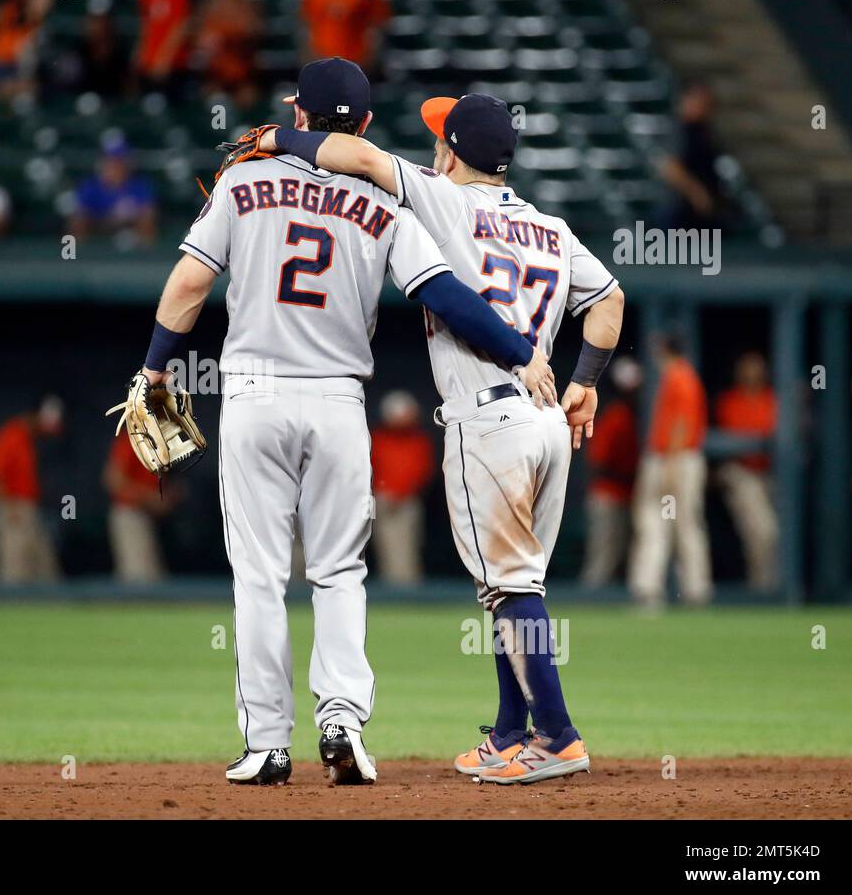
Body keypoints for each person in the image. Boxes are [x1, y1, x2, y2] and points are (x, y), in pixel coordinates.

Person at [139, 59, 554, 786]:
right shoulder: (385, 204)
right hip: (337, 403)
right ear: (361, 125)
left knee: (261, 578)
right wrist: (520, 353)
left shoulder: (243, 182)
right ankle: (343, 723)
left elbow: (190, 283)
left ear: (299, 116)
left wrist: (153, 369)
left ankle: (268, 743)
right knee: (339, 573)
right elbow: (449, 294)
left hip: (256, 396)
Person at [265, 89, 625, 784]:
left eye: (441, 135)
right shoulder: (549, 225)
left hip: (490, 417)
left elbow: (358, 155)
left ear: (452, 149)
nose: (434, 143)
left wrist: (278, 138)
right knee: (512, 586)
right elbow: (608, 299)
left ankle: (556, 735)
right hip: (550, 421)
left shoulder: (441, 197)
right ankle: (511, 732)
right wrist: (586, 379)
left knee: (509, 588)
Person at [628, 334, 712, 607]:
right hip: (670, 458)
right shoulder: (677, 376)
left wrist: (671, 465)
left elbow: (683, 423)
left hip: (675, 459)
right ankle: (650, 589)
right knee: (656, 524)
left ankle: (695, 590)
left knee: (683, 524)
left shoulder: (680, 376)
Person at [715, 352, 778, 592]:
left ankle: (775, 587)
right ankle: (763, 588)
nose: (751, 373)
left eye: (756, 368)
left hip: (774, 474)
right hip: (742, 473)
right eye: (746, 368)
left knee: (776, 535)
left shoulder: (773, 398)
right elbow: (733, 438)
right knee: (763, 531)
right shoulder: (729, 400)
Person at [0, 396, 64, 585]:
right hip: (13, 507)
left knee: (44, 568)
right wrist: (6, 505)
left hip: (29, 509)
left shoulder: (29, 438)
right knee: (14, 569)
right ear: (35, 415)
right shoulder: (11, 435)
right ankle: (5, 612)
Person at [579, 356, 642, 587]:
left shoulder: (630, 414)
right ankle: (589, 603)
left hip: (624, 494)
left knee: (620, 555)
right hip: (607, 495)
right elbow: (598, 462)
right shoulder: (616, 414)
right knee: (602, 557)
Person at [369, 390, 434, 586]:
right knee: (385, 547)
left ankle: (408, 595)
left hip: (408, 501)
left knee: (408, 548)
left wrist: (402, 491)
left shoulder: (419, 441)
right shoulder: (376, 438)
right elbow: (367, 469)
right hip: (379, 501)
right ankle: (390, 592)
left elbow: (424, 471)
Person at [102, 433, 171, 583]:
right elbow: (113, 480)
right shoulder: (134, 438)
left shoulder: (155, 441)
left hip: (144, 516)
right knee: (138, 578)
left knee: (151, 577)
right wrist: (149, 498)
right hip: (128, 514)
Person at [196, 0, 262, 110]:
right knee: (215, 106)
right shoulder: (208, 7)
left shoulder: (249, 6)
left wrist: (226, 38)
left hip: (244, 74)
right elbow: (200, 38)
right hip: (215, 75)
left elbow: (254, 32)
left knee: (249, 101)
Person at [658, 83, 724, 231]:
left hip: (696, 211)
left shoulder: (701, 130)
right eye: (702, 102)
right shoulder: (679, 130)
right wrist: (698, 194)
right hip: (679, 208)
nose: (707, 107)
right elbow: (671, 169)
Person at [67, 138, 157, 246]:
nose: (114, 166)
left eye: (119, 161)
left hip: (132, 237)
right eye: (110, 161)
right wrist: (109, 221)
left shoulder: (140, 186)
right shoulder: (90, 187)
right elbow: (79, 217)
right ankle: (77, 258)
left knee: (145, 223)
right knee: (78, 223)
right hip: (98, 234)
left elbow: (148, 216)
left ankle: (146, 258)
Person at [132, 0, 191, 95]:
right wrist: (140, 52)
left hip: (172, 64)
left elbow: (181, 25)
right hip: (149, 63)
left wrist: (165, 59)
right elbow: (146, 25)